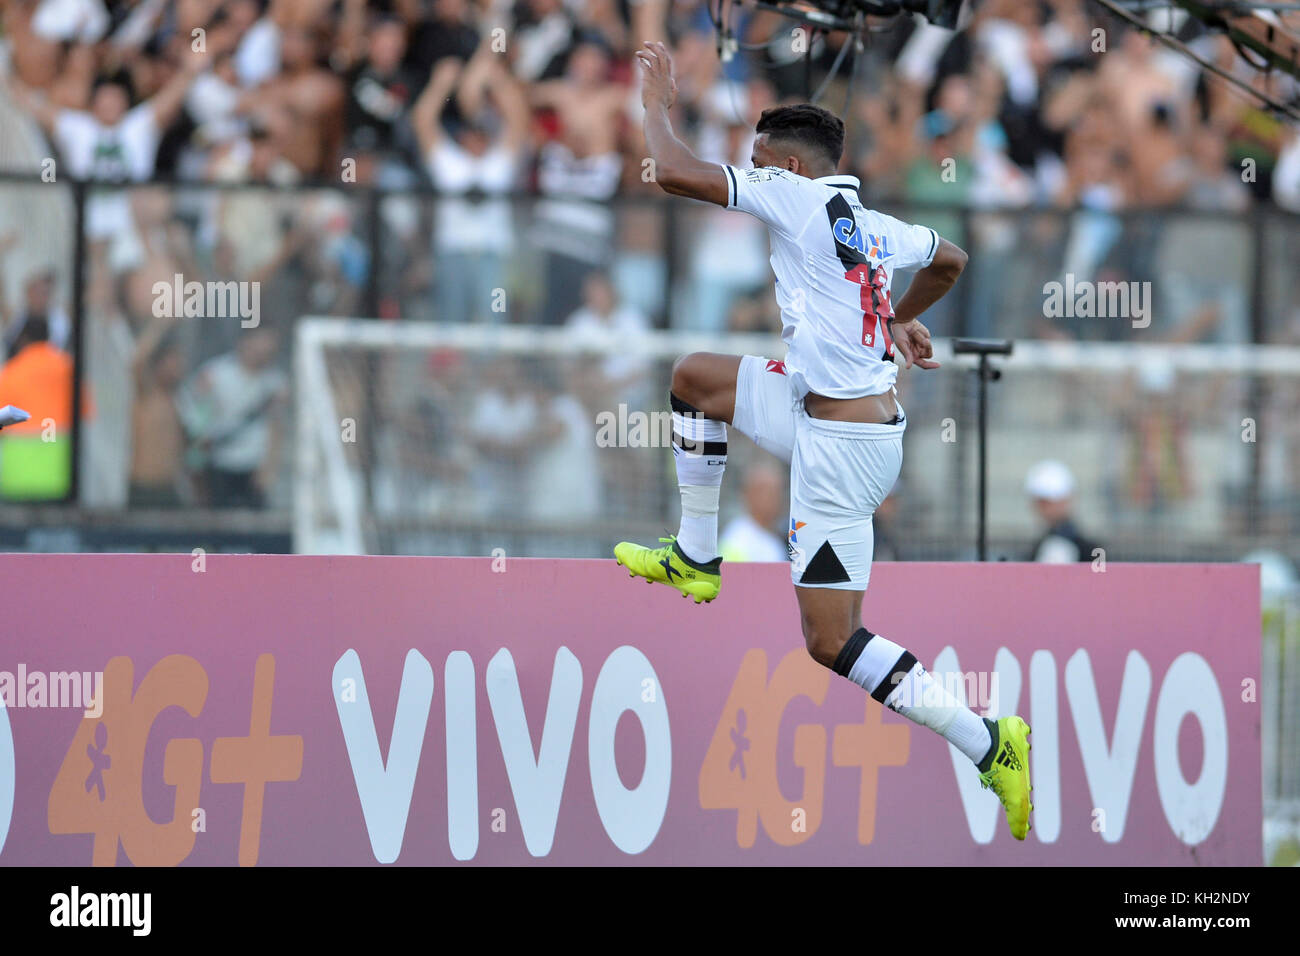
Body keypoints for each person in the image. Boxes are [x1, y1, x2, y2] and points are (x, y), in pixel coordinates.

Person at [614, 42, 1032, 841]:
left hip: (840, 455)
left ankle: (989, 743)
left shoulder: (791, 196)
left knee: (829, 642)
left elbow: (671, 172)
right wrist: (901, 318)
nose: (752, 172)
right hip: (822, 408)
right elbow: (950, 258)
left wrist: (655, 103)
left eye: (759, 160)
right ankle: (697, 556)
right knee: (697, 378)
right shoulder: (874, 225)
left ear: (791, 166)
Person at [1024, 459, 1099, 564]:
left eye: (1049, 502)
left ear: (1067, 499)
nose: (1046, 508)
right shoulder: (1038, 547)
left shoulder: (1091, 551)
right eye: (1042, 502)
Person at [718, 463, 788, 563]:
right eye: (766, 491)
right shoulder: (736, 538)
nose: (774, 498)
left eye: (778, 491)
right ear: (748, 494)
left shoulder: (781, 538)